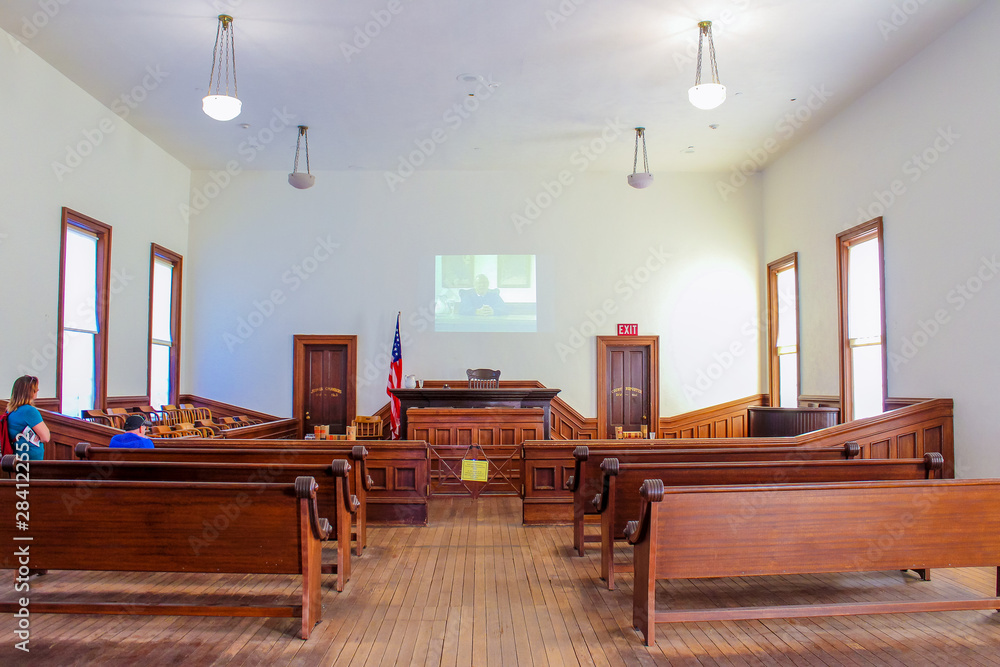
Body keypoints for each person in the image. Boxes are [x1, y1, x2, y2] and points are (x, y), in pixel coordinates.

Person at [5, 375, 50, 461]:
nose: (38, 390)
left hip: (18, 456)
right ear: (29, 392)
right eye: (35, 388)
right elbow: (46, 437)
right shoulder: (29, 411)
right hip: (31, 459)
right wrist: (38, 436)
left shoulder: (10, 410)